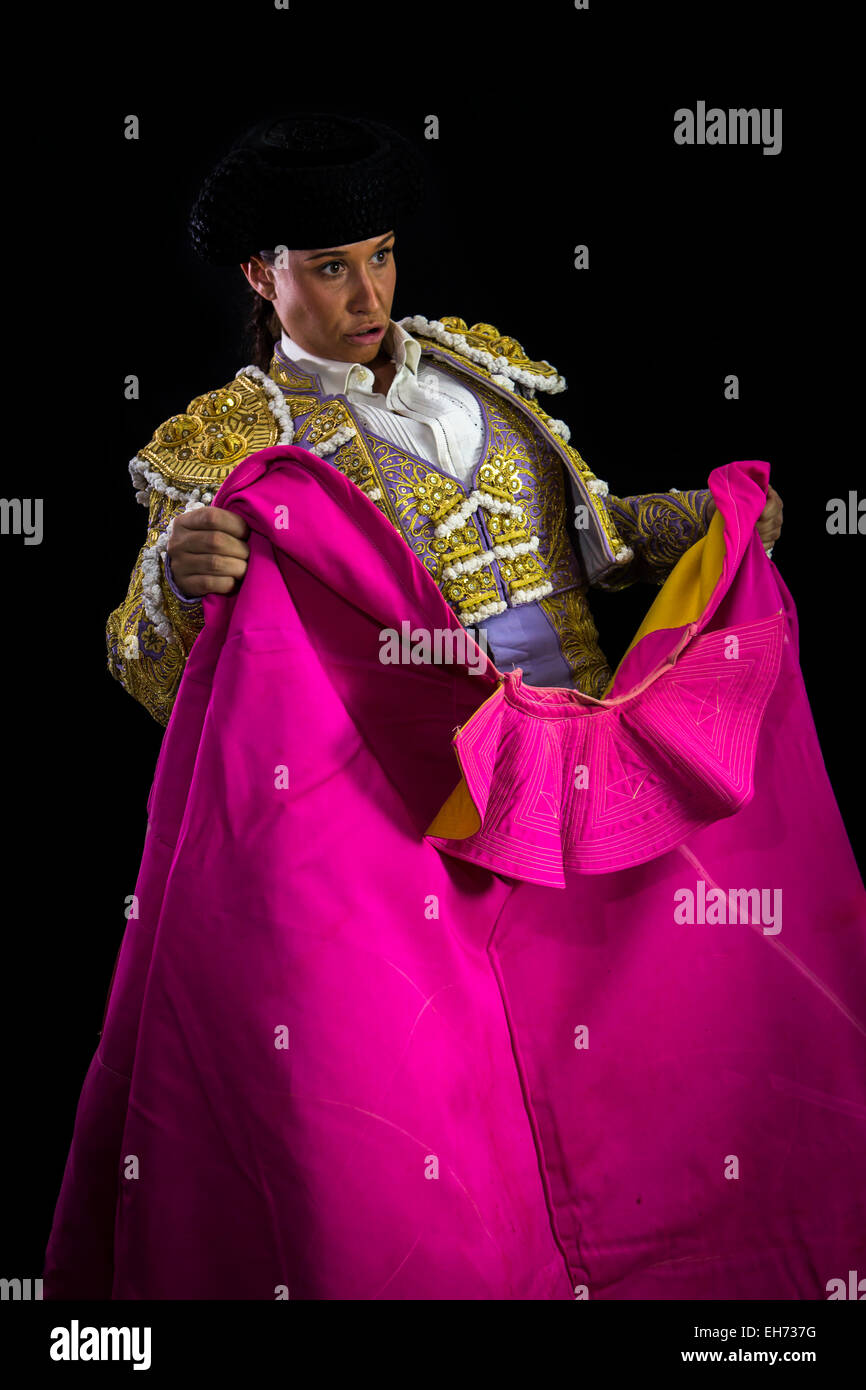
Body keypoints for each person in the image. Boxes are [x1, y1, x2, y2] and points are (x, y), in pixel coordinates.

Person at [106, 112, 783, 729]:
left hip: (597, 739)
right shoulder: (227, 443)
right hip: (409, 799)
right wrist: (179, 583)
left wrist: (713, 520)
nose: (369, 295)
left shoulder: (476, 375)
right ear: (261, 275)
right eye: (332, 268)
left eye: (382, 254)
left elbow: (597, 538)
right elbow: (145, 669)